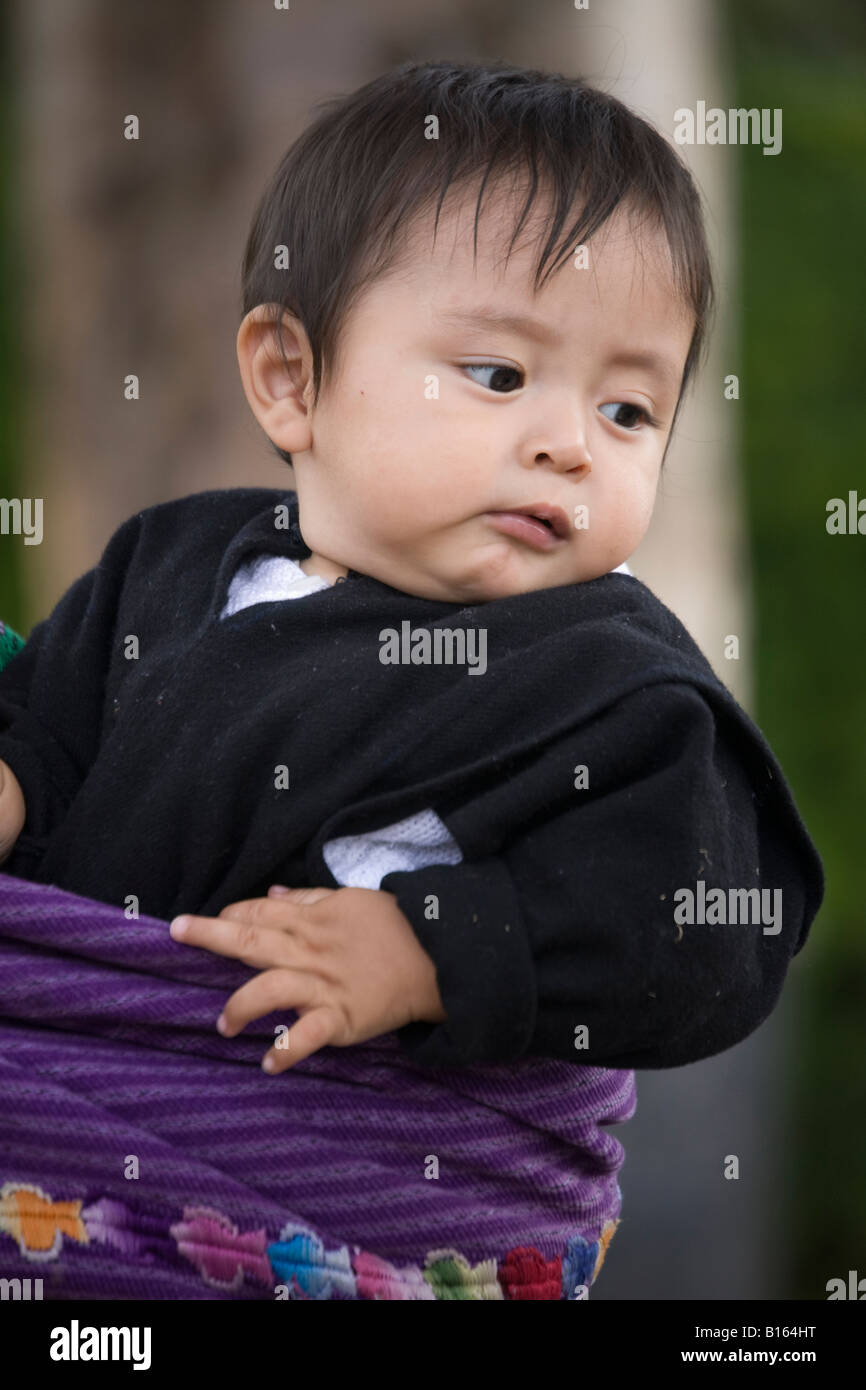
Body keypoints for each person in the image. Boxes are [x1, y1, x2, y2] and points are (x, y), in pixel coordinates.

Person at [0, 61, 823, 1294]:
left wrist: (430, 948)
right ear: (291, 378)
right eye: (499, 375)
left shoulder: (610, 683)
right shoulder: (164, 567)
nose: (566, 443)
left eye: (628, 410)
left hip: (350, 1206)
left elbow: (712, 922)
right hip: (73, 1146)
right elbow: (42, 737)